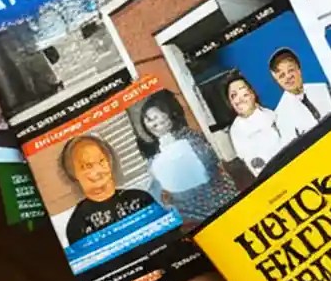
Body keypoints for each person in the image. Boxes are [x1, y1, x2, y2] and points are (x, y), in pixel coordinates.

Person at [132, 92, 238, 226]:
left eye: (156, 117)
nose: (154, 123)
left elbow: (208, 162)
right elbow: (159, 191)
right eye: (148, 119)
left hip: (225, 201)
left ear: (168, 115)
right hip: (196, 219)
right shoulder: (154, 156)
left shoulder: (190, 136)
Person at [60, 134, 155, 244]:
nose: (98, 170)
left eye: (101, 161)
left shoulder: (141, 197)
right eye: (88, 166)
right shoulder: (77, 224)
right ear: (72, 173)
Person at [223, 71, 296, 177]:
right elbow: (257, 164)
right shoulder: (237, 130)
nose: (240, 99)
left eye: (244, 93)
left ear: (252, 94)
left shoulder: (269, 113)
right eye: (234, 96)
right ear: (231, 103)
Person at [270, 48, 331, 136]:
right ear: (277, 82)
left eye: (291, 70)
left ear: (299, 70)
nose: (288, 76)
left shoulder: (324, 88)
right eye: (282, 75)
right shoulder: (281, 115)